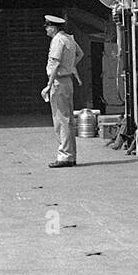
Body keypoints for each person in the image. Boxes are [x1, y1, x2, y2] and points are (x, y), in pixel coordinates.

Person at [41, 14, 82, 168]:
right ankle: (70, 155)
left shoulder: (57, 40)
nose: (46, 31)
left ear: (53, 27)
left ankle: (64, 156)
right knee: (68, 120)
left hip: (58, 82)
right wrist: (70, 66)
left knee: (60, 120)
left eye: (47, 27)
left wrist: (48, 85)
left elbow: (55, 64)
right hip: (67, 81)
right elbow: (80, 54)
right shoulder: (69, 39)